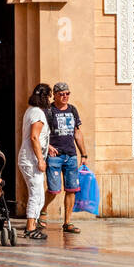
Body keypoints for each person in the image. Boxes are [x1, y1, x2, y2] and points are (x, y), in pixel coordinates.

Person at [41, 81, 87, 234]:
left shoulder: (73, 110)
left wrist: (84, 154)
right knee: (54, 190)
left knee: (72, 189)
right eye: (61, 94)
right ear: (55, 95)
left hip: (71, 155)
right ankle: (43, 210)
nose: (65, 96)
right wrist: (47, 147)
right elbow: (41, 133)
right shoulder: (49, 111)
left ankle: (67, 222)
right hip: (55, 156)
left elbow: (77, 133)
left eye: (67, 93)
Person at [18, 83, 51, 240]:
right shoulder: (37, 113)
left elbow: (35, 136)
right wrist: (40, 159)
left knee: (38, 194)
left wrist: (48, 146)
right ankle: (30, 227)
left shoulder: (31, 111)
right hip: (31, 160)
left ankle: (34, 223)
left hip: (29, 158)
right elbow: (33, 137)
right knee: (36, 194)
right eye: (49, 96)